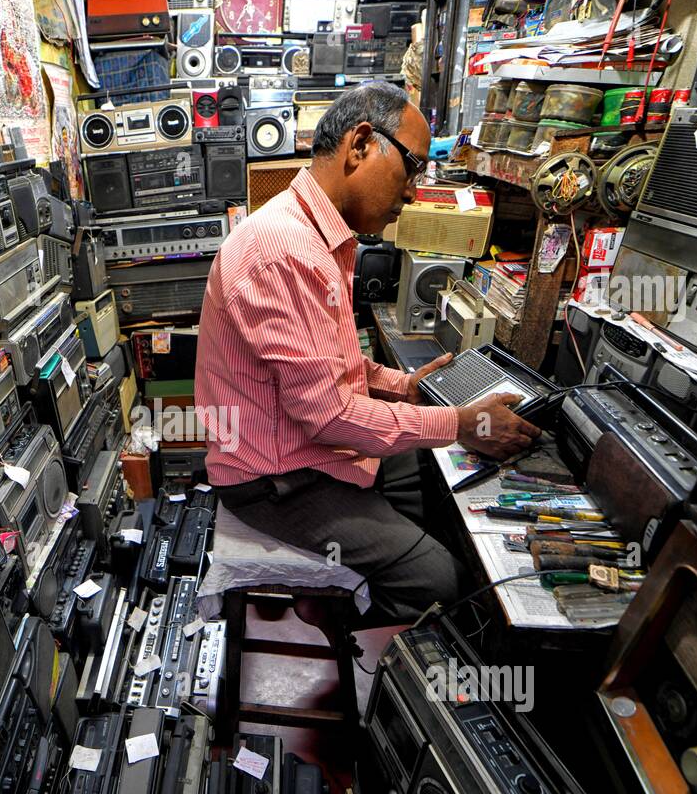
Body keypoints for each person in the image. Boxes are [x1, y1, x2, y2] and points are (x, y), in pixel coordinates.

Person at [194, 82, 541, 621]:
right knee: (439, 581)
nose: (413, 192)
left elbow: (329, 365)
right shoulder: (281, 250)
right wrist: (458, 422)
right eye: (412, 168)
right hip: (275, 480)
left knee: (428, 478)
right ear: (360, 145)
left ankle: (385, 558)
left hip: (300, 450)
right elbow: (328, 416)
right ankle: (342, 638)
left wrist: (403, 385)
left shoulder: (319, 235)